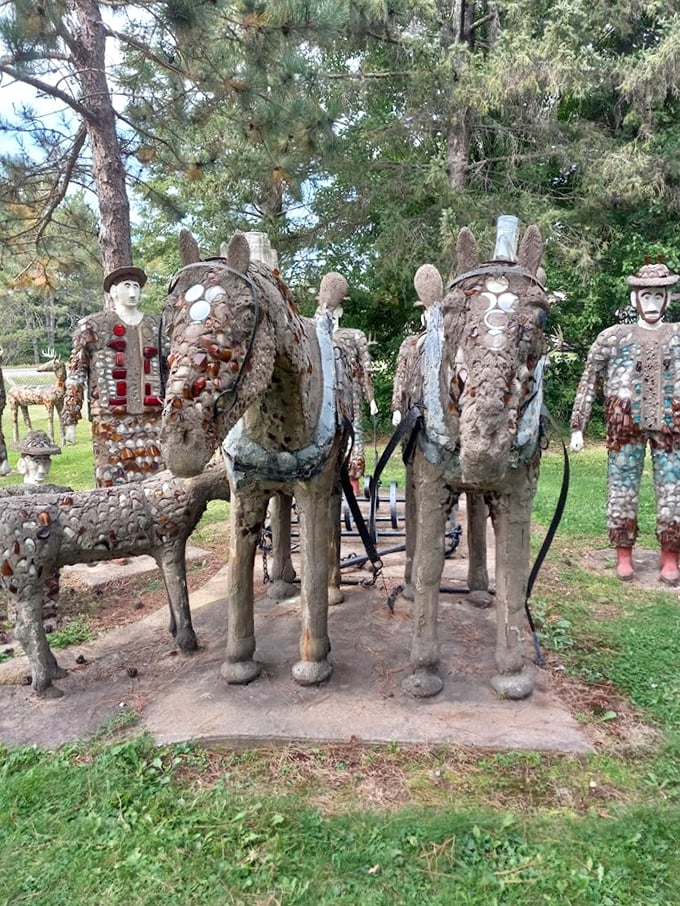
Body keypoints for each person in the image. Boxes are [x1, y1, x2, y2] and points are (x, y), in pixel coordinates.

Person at [570, 258, 680, 585]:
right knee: (621, 488)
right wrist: (578, 424)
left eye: (658, 297)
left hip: (671, 426)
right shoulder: (612, 338)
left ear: (668, 299)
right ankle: (623, 553)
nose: (651, 304)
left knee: (674, 490)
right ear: (634, 299)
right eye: (646, 296)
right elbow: (589, 379)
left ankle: (670, 558)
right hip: (623, 426)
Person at [62, 265, 166, 487]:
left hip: (153, 419)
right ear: (113, 292)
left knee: (157, 484)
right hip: (110, 422)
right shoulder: (93, 326)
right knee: (112, 483)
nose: (132, 292)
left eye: (136, 286)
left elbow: (171, 369)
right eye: (126, 286)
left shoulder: (157, 326)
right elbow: (76, 372)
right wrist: (70, 418)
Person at [316, 272, 378, 494]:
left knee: (355, 437)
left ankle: (353, 483)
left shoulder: (354, 336)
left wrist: (371, 398)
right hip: (321, 397)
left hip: (350, 397)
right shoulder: (312, 333)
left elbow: (365, 368)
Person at [391, 264, 442, 427]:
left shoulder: (451, 341)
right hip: (416, 410)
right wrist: (397, 408)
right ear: (423, 317)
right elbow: (400, 375)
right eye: (427, 313)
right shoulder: (411, 343)